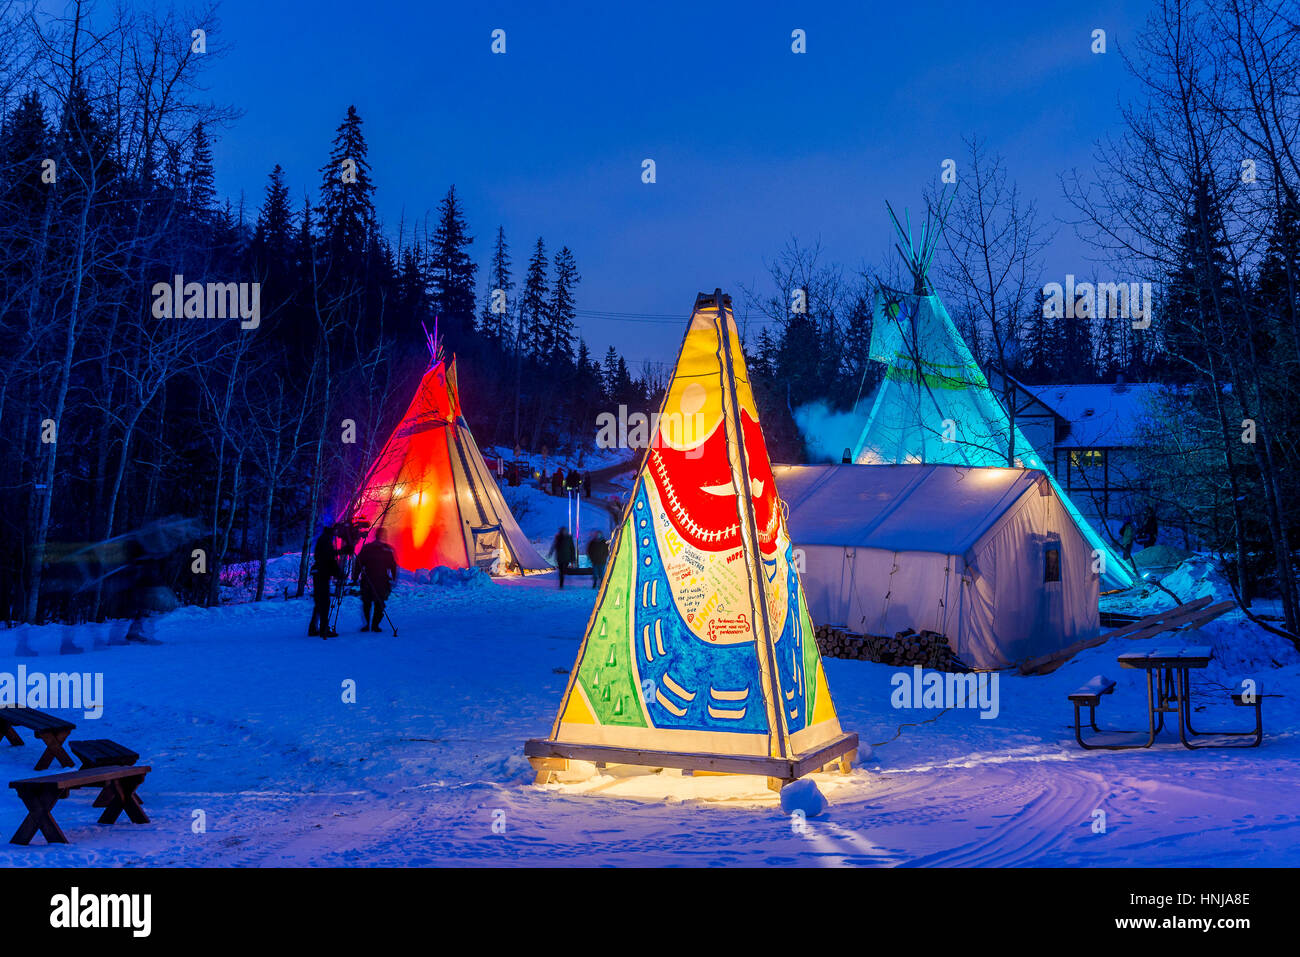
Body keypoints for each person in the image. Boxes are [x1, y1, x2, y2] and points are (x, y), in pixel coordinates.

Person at [354, 529, 399, 632]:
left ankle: (368, 624)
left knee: (368, 603)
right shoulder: (386, 549)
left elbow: (358, 563)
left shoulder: (368, 548)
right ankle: (374, 625)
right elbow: (393, 566)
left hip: (369, 580)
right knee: (378, 603)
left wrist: (355, 577)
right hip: (380, 580)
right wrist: (394, 578)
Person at [308, 525, 344, 638]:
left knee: (319, 602)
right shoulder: (326, 540)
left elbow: (328, 557)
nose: (337, 534)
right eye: (336, 531)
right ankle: (323, 630)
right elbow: (328, 558)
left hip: (320, 574)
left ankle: (313, 628)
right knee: (324, 602)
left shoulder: (324, 539)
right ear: (333, 531)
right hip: (322, 574)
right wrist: (338, 573)